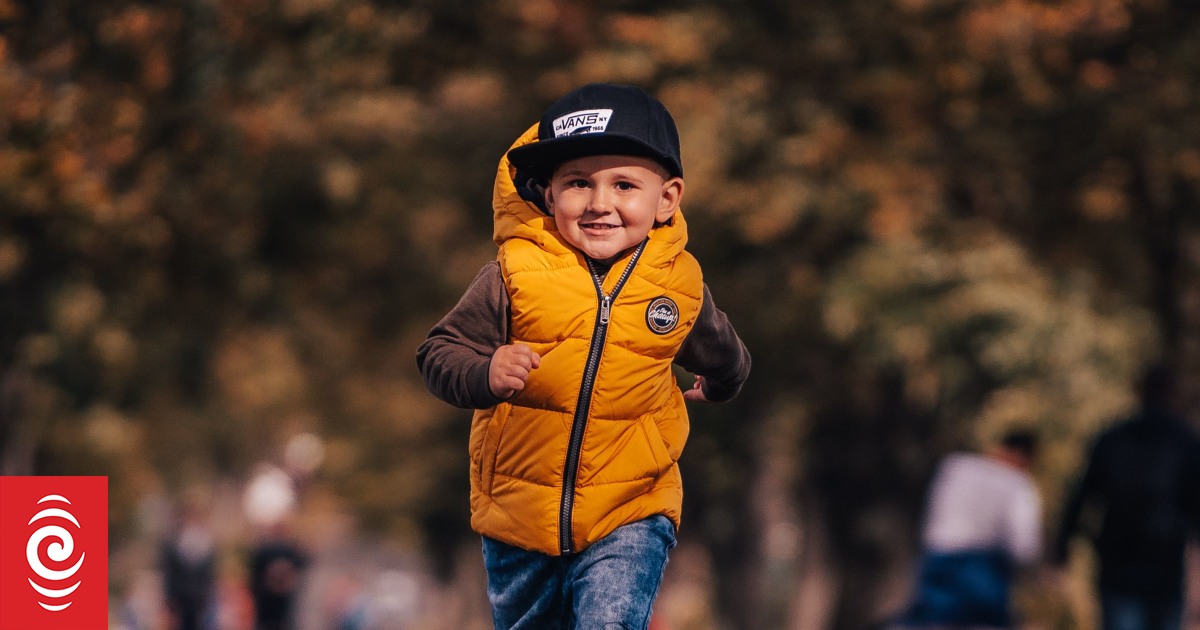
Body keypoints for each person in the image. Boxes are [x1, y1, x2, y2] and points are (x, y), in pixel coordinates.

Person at [416, 83, 751, 630]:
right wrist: (484, 372)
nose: (600, 203)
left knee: (609, 620)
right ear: (549, 196)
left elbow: (725, 353)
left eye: (624, 184)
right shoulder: (514, 274)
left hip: (632, 507)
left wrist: (720, 384)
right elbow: (438, 353)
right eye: (578, 184)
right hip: (519, 518)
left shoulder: (679, 285)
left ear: (666, 198)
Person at [1052, 366, 1200, 630]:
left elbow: (1083, 495)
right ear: (1173, 394)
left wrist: (1063, 544)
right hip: (1163, 568)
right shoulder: (1184, 443)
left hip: (1119, 566)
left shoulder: (1113, 438)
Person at [891, 429, 1043, 629]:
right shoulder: (1018, 484)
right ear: (1026, 457)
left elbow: (933, 509)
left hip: (939, 556)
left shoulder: (955, 466)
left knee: (932, 620)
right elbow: (1024, 546)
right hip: (984, 567)